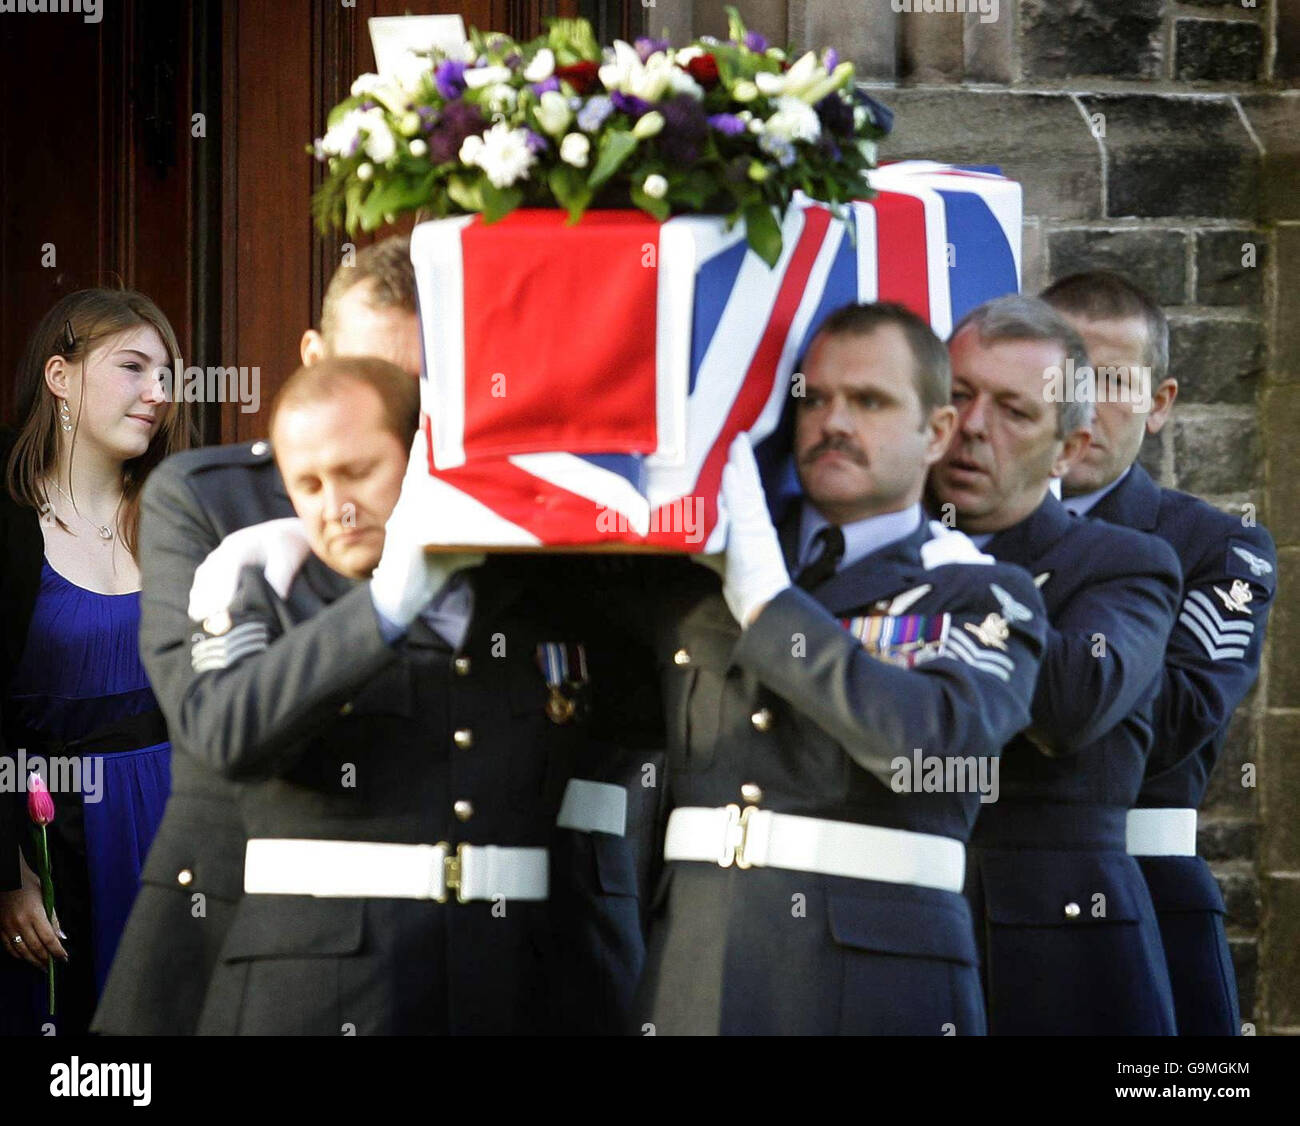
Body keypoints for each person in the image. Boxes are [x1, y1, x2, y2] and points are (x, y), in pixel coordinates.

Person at [626, 302, 1047, 1035]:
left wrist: (770, 602)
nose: (834, 422)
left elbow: (929, 748)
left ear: (938, 431)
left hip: (877, 983)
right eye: (814, 399)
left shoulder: (981, 591)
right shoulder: (701, 576)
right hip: (695, 967)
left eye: (870, 401)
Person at [183, 356, 634, 1034]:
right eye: (306, 484)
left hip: (507, 985)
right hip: (320, 995)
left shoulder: (533, 596)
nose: (334, 506)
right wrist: (383, 611)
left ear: (422, 455)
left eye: (359, 472)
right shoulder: (262, 587)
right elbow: (226, 735)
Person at [92, 236, 424, 1035]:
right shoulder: (214, 501)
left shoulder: (497, 519)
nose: (397, 414)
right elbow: (217, 724)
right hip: (230, 919)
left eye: (421, 387)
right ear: (312, 356)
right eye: (366, 375)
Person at [929, 294, 1183, 1035]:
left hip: (1058, 954)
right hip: (891, 935)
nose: (973, 428)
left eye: (1014, 410)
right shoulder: (867, 551)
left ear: (1067, 451)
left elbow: (1072, 703)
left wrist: (951, 573)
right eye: (957, 397)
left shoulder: (1124, 565)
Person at [1043, 270, 1275, 1036]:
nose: (1082, 400)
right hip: (979, 892)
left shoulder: (1218, 547)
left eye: (1111, 378)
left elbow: (1179, 715)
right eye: (1061, 372)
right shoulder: (959, 531)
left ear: (1160, 404)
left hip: (1143, 894)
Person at [0, 288, 195, 1034]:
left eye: (166, 374)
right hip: (53, 837)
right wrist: (8, 872)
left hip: (175, 826)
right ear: (60, 375)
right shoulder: (11, 524)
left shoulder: (181, 515)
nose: (158, 393)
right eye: (133, 367)